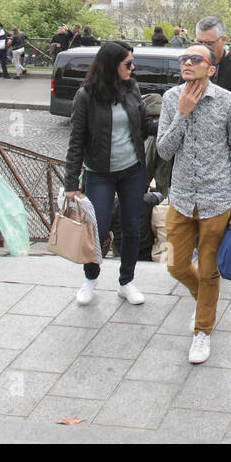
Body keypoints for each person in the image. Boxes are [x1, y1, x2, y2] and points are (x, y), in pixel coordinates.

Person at [156, 44, 231, 365]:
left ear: (211, 69)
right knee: (175, 264)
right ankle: (205, 304)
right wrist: (182, 113)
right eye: (183, 58)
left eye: (194, 59)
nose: (186, 63)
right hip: (182, 198)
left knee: (210, 269)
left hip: (217, 200)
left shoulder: (229, 102)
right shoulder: (172, 99)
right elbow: (164, 151)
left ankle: (202, 331)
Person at [63, 42, 153, 308]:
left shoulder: (132, 88)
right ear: (112, 65)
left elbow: (144, 127)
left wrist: (176, 117)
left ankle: (126, 282)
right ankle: (90, 279)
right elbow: (76, 141)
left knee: (132, 227)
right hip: (99, 173)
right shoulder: (86, 95)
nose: (132, 67)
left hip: (133, 171)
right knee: (97, 229)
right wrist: (71, 183)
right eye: (128, 63)